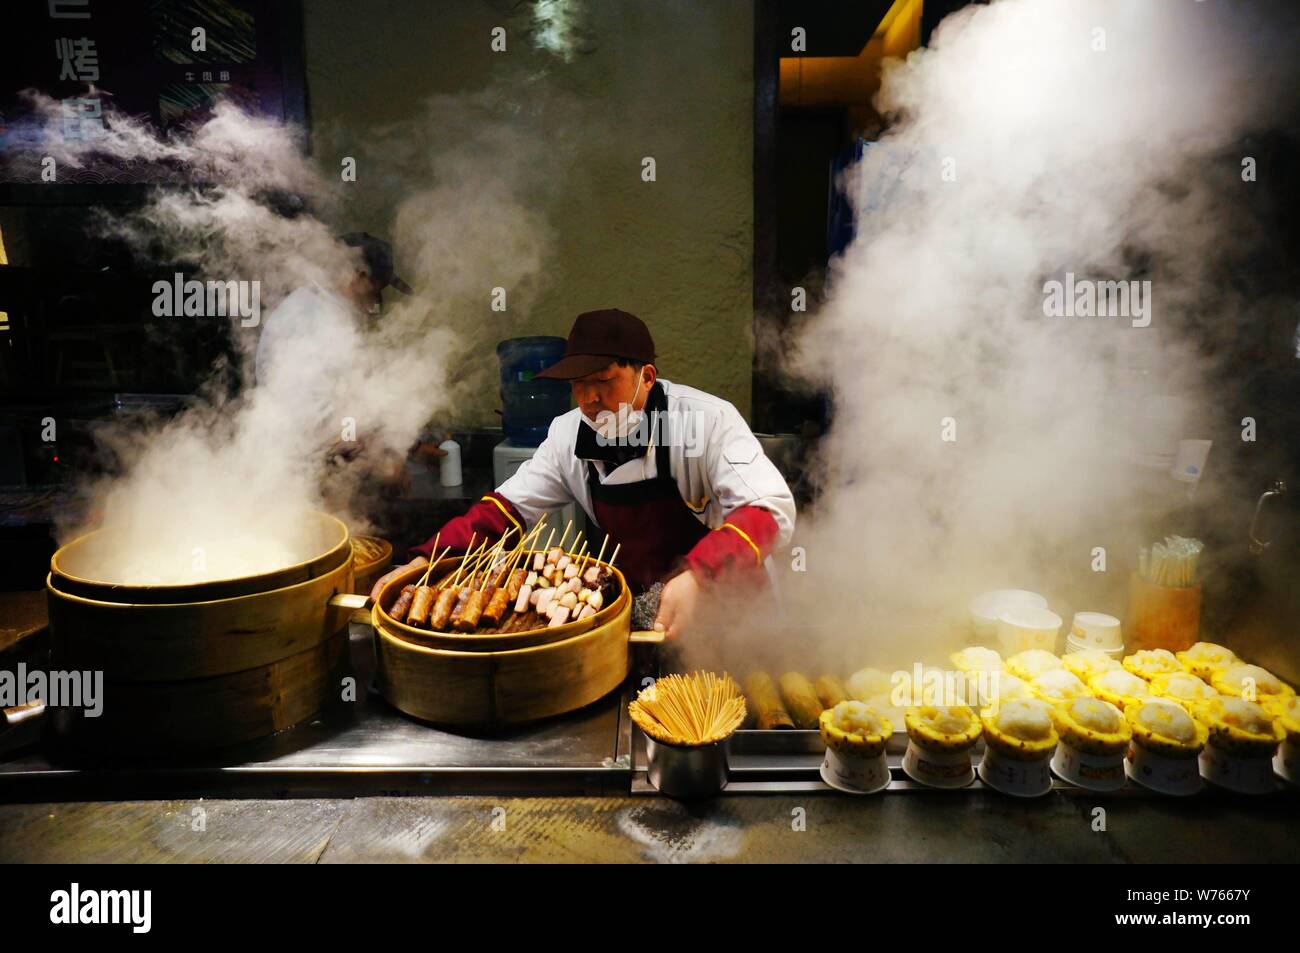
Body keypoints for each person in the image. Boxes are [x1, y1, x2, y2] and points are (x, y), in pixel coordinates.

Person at [371, 308, 796, 641]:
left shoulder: (706, 423)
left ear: (646, 376)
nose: (588, 398)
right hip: (643, 613)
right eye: (577, 383)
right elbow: (505, 510)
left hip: (732, 613)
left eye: (603, 381)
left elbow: (770, 512)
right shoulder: (567, 434)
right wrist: (430, 558)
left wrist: (700, 576)